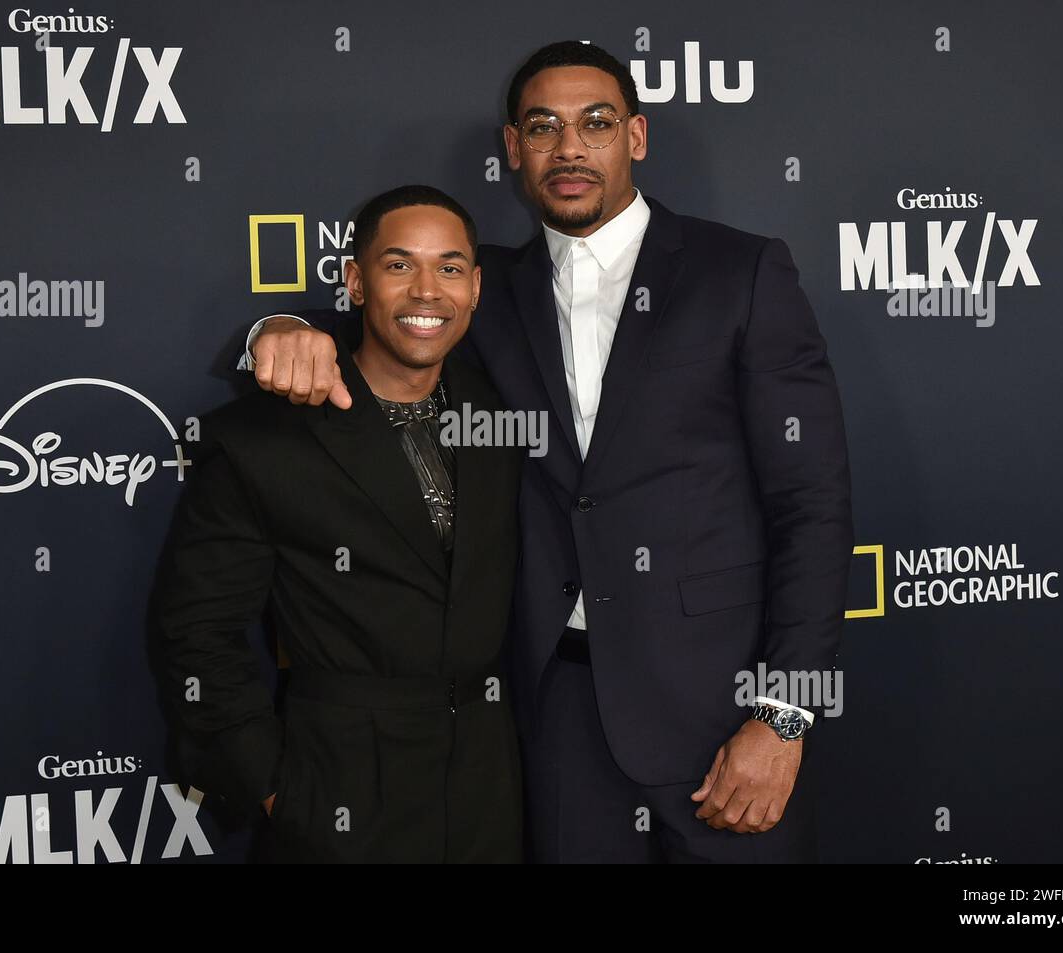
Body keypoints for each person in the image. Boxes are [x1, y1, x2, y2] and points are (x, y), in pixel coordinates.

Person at [242, 41, 854, 863]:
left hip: (723, 711)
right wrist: (274, 330)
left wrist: (782, 716)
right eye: (543, 128)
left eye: (595, 124)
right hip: (554, 713)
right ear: (512, 150)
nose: (569, 148)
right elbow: (384, 339)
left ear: (636, 136)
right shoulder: (482, 290)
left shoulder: (739, 271)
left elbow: (812, 502)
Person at [153, 185, 524, 862]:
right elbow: (196, 633)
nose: (425, 291)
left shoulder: (504, 410)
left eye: (448, 267)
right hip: (337, 790)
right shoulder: (263, 439)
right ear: (355, 281)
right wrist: (274, 788)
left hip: (489, 790)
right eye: (397, 264)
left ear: (473, 287)